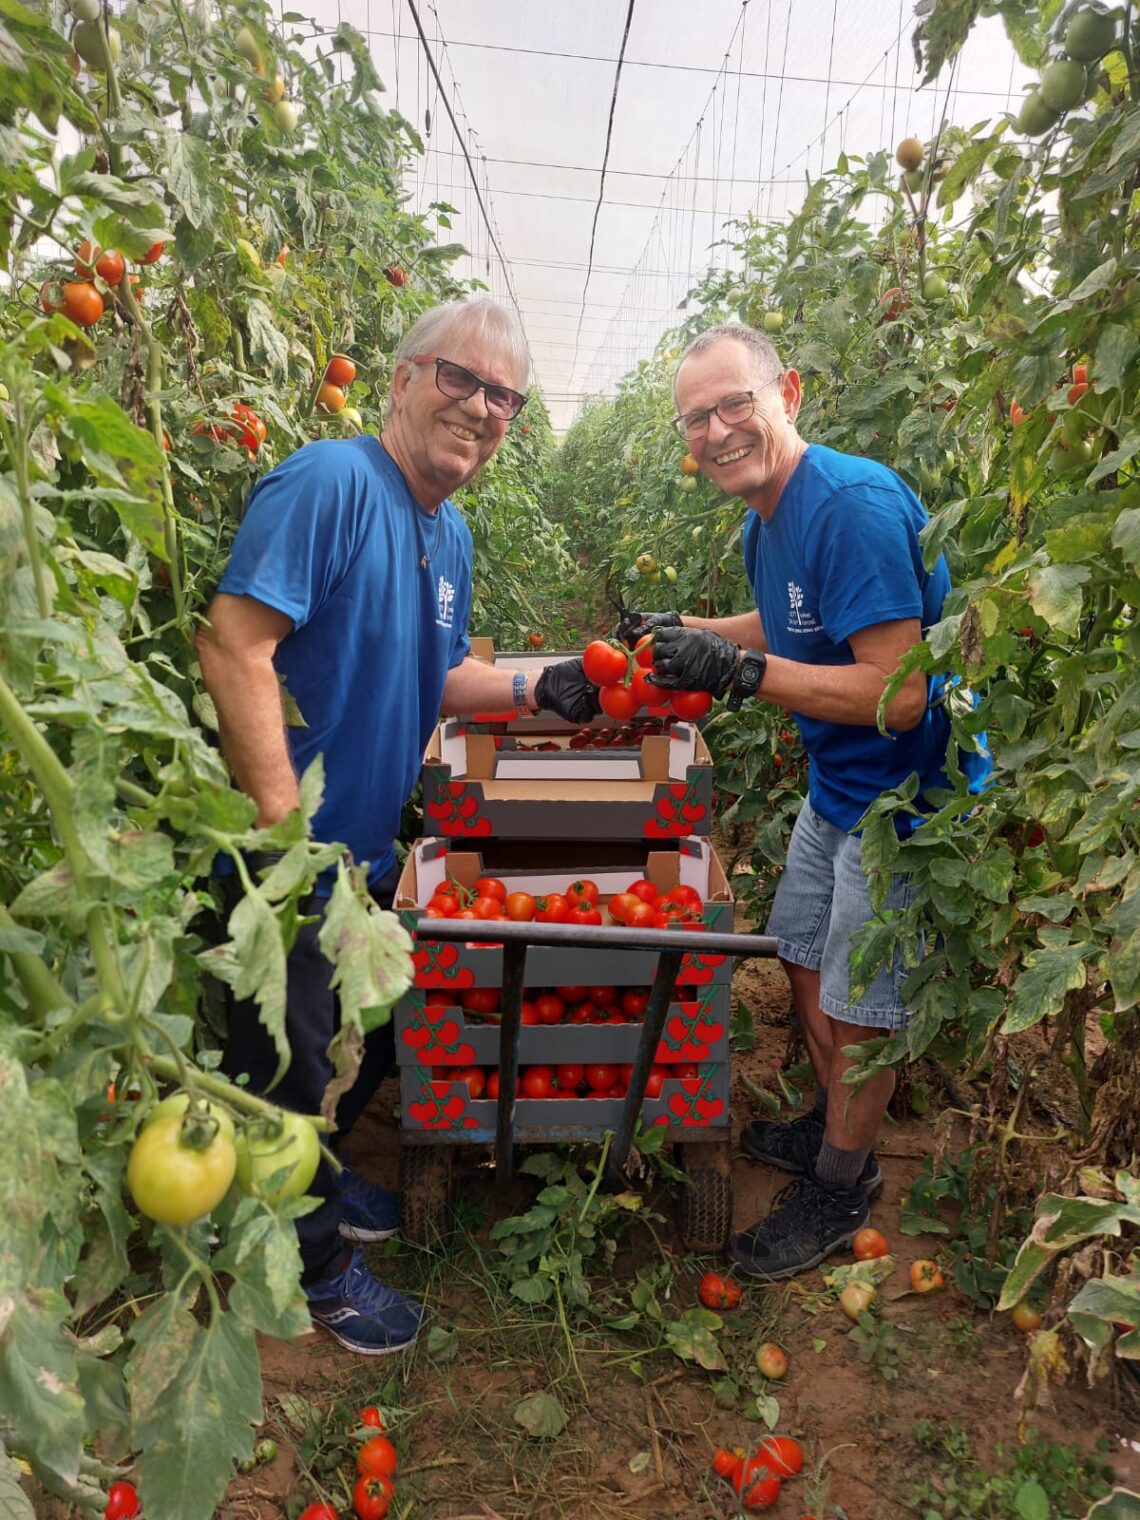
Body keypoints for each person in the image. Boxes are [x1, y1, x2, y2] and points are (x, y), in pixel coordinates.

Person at [197, 295, 599, 1353]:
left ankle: (318, 1191)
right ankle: (310, 1270)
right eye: (459, 378)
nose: (479, 407)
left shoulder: (447, 531)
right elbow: (235, 643)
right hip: (290, 860)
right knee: (286, 1073)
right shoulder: (332, 482)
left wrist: (541, 690)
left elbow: (441, 671)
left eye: (503, 395)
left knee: (352, 1043)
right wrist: (287, 838)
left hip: (364, 851)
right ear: (404, 378)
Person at [615, 322, 990, 1281]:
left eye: (734, 403)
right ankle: (833, 1128)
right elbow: (788, 621)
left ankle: (842, 1183)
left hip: (907, 805)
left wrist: (739, 671)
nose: (716, 431)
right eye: (695, 418)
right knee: (801, 958)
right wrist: (690, 628)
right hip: (841, 785)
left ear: (787, 393)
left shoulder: (849, 508)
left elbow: (898, 696)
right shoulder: (767, 517)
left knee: (860, 1008)